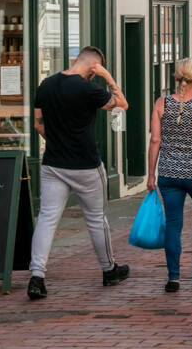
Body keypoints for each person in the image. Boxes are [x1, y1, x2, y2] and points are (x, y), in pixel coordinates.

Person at [28, 47, 129, 300]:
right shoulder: (89, 88)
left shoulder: (46, 85)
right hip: (86, 165)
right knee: (96, 219)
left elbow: (38, 124)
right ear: (94, 69)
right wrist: (109, 77)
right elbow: (122, 105)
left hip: (53, 163)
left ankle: (37, 277)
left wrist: (57, 141)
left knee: (47, 219)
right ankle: (109, 270)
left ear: (75, 60)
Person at [147, 59, 192, 294]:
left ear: (175, 78)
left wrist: (151, 175)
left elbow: (155, 140)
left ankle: (173, 278)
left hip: (168, 174)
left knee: (173, 224)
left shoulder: (161, 103)